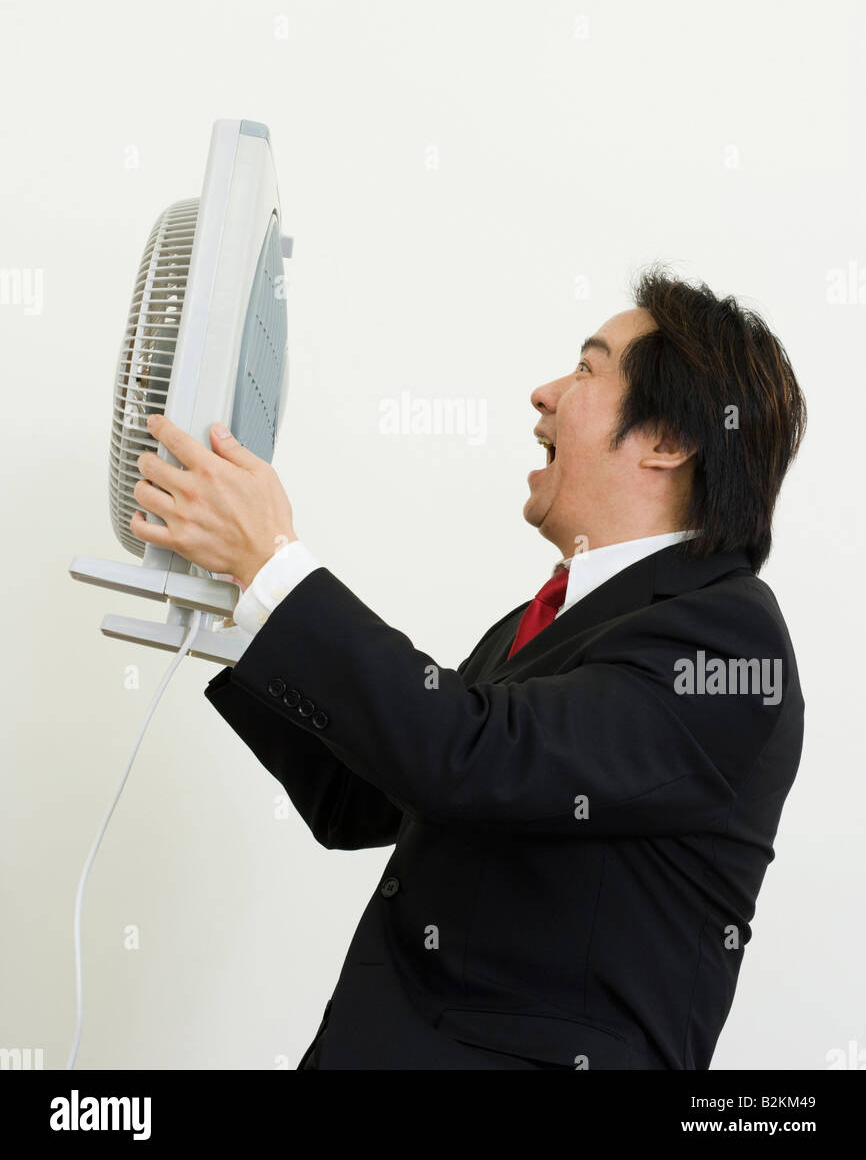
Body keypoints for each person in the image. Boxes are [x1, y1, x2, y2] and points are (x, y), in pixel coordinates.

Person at [136, 266, 807, 1069]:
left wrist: (277, 568)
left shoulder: (728, 639)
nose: (544, 392)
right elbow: (361, 796)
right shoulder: (543, 624)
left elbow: (465, 757)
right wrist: (238, 599)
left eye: (588, 368)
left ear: (667, 441)